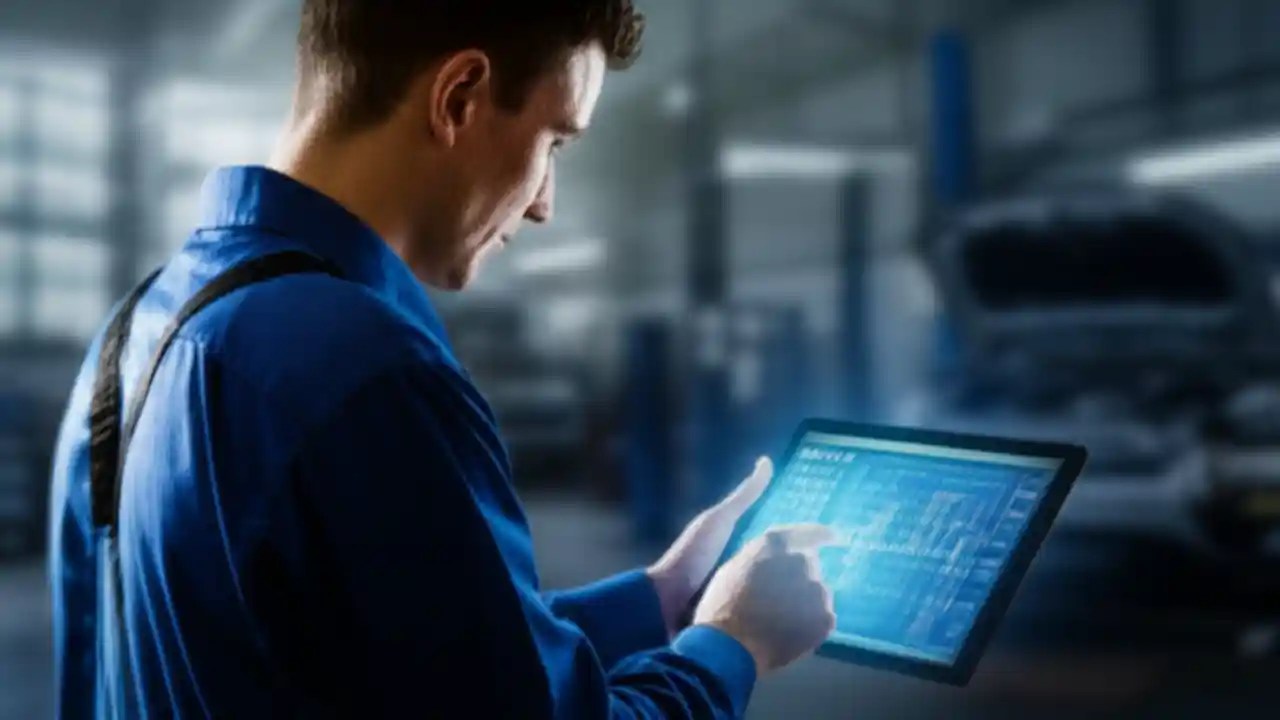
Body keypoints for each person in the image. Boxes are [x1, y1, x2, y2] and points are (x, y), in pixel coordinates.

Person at [48, 2, 839, 717]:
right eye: (554, 141)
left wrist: (661, 599)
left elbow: (414, 665)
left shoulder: (131, 336)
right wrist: (731, 643)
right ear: (459, 97)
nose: (543, 203)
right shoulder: (369, 370)